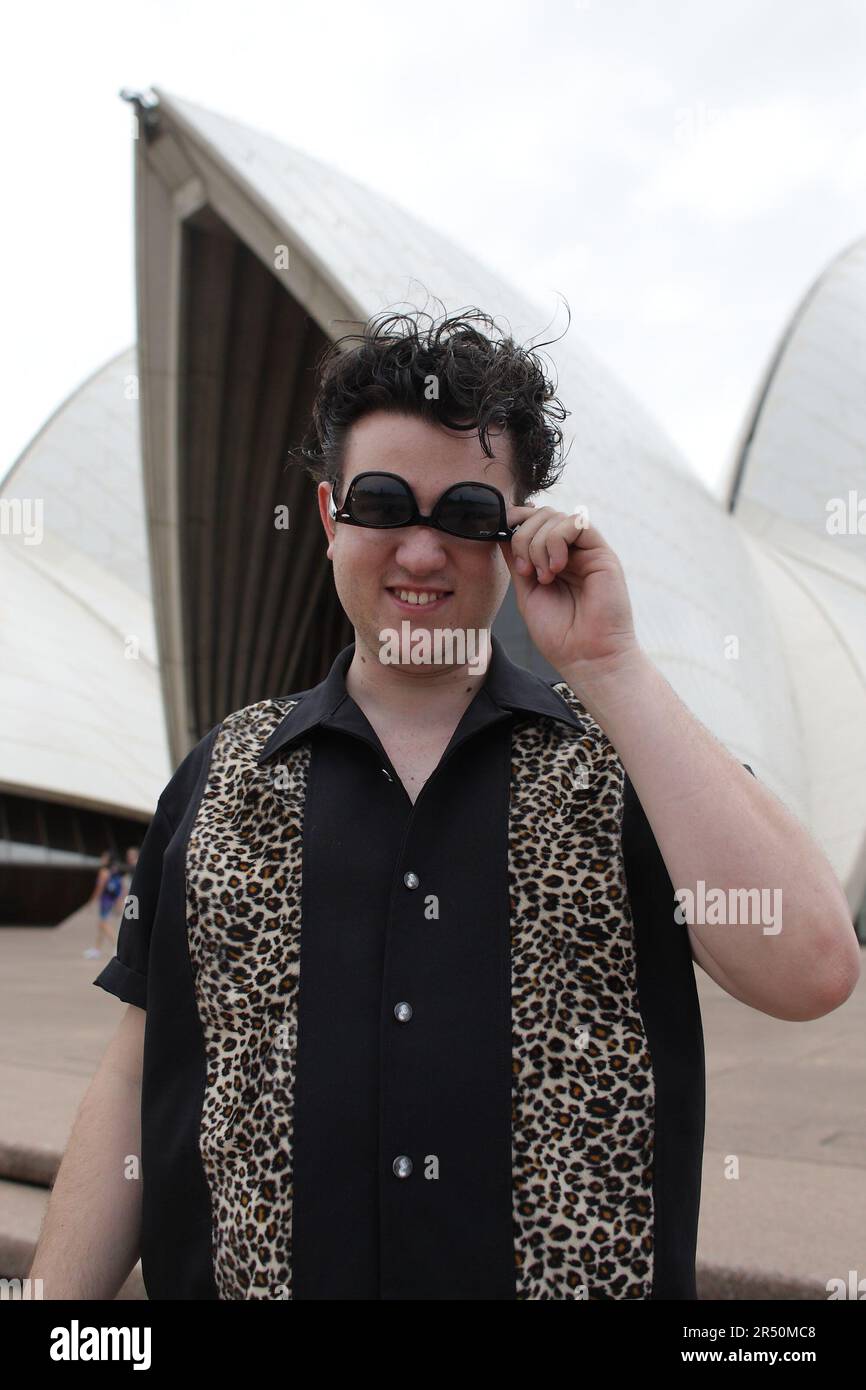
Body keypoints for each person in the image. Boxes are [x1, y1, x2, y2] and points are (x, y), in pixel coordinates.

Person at [31, 305, 860, 1301]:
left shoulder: (617, 760)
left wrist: (608, 662)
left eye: (465, 514)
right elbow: (139, 1075)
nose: (421, 552)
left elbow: (810, 964)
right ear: (331, 516)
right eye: (384, 503)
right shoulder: (224, 774)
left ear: (514, 537)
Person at [82, 852, 125, 959]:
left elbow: (99, 887)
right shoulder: (114, 871)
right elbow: (122, 887)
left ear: (108, 859)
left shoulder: (104, 872)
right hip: (111, 900)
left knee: (103, 924)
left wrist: (92, 901)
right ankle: (97, 949)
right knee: (101, 925)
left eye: (104, 857)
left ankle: (118, 945)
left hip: (105, 901)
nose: (102, 858)